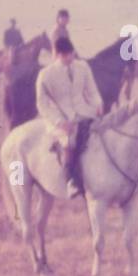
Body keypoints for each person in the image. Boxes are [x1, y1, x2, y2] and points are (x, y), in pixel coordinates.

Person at [36, 36, 101, 199]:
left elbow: (92, 91)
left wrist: (98, 103)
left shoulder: (83, 66)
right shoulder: (45, 75)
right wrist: (59, 122)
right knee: (69, 142)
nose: (69, 58)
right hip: (60, 119)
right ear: (57, 54)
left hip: (84, 112)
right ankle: (70, 181)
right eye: (65, 56)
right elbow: (42, 105)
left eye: (71, 54)